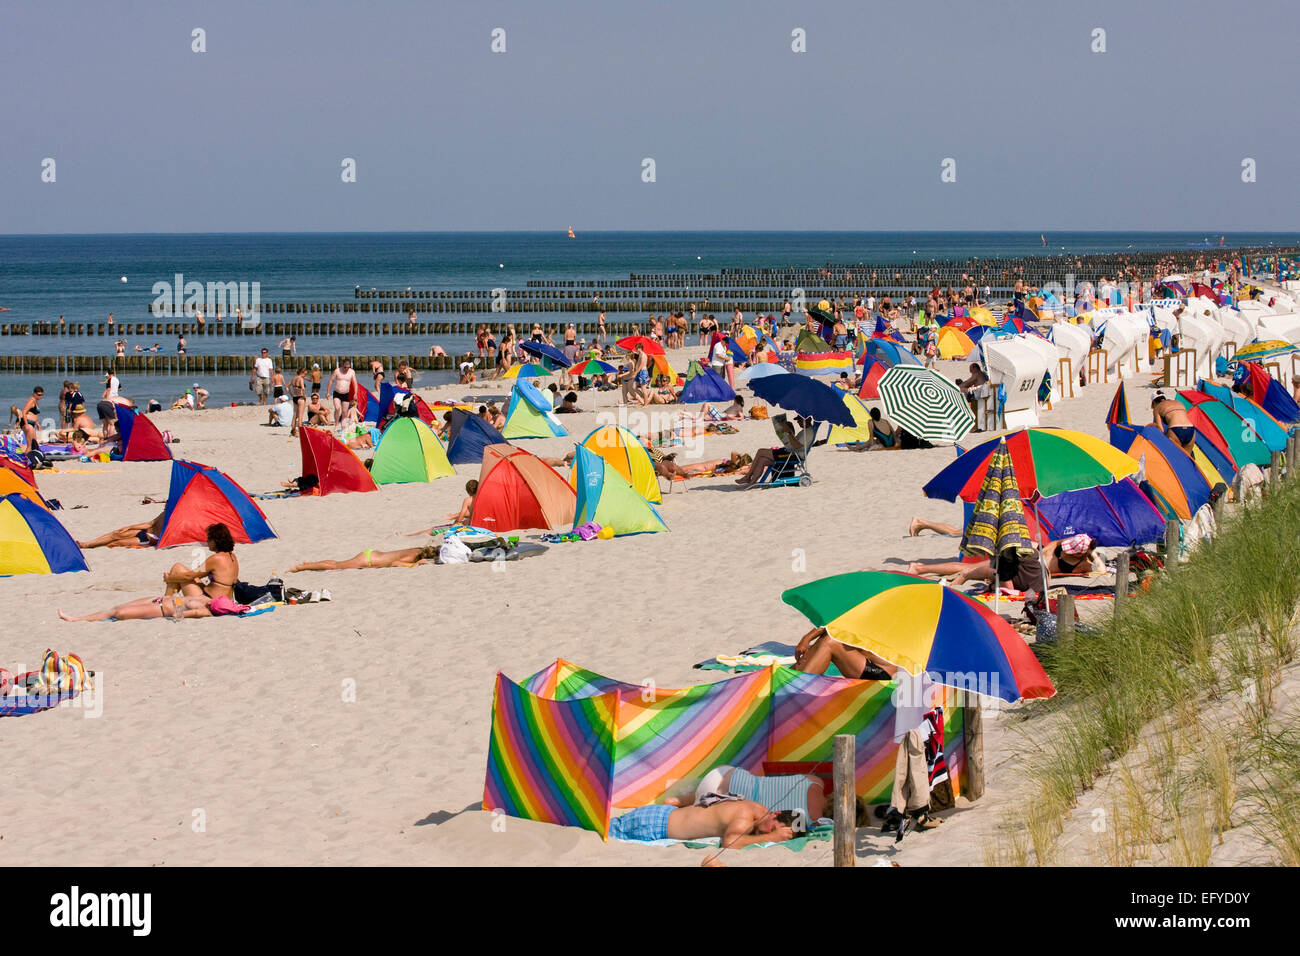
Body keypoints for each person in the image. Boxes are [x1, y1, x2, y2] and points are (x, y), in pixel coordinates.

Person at [58, 523, 238, 622]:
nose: (207, 543)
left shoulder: (217, 559)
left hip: (208, 598)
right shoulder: (231, 557)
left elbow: (192, 577)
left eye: (209, 540)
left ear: (216, 541)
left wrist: (171, 578)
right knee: (177, 569)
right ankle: (167, 598)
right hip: (218, 597)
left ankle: (166, 598)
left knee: (176, 571)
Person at [666, 764, 827, 823]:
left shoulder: (815, 781)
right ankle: (679, 805)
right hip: (731, 800)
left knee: (698, 795)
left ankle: (678, 800)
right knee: (692, 811)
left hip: (726, 773)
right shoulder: (814, 819)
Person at [607, 799, 794, 847]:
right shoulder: (746, 816)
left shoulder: (758, 809)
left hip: (663, 816)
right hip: (654, 825)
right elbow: (730, 842)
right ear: (775, 814)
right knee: (597, 828)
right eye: (772, 828)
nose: (766, 833)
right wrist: (774, 836)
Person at [734, 414, 822, 487]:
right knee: (762, 460)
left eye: (799, 420)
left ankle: (748, 476)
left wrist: (788, 432)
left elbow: (797, 446)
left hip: (793, 455)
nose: (798, 422)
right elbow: (796, 444)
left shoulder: (808, 433)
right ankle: (752, 482)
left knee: (761, 451)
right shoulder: (805, 431)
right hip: (791, 452)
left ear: (806, 420)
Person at [793, 626, 898, 681]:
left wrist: (806, 639)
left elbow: (834, 621)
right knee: (828, 638)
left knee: (830, 642)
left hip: (883, 676)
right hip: (873, 667)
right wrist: (806, 639)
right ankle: (788, 681)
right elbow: (833, 622)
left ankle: (797, 691)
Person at [287, 545, 440, 573]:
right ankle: (302, 567)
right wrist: (412, 566)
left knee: (336, 563)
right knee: (335, 566)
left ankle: (309, 564)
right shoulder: (414, 557)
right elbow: (394, 563)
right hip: (367, 560)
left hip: (372, 554)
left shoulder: (418, 548)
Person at [78, 511, 165, 549]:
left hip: (148, 540)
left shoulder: (173, 519)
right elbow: (149, 524)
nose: (164, 505)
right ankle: (87, 544)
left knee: (116, 543)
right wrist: (130, 527)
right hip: (144, 532)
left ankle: (95, 545)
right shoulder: (164, 513)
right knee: (117, 533)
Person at [19, 386, 43, 452]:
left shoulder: (35, 401)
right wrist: (26, 424)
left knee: (34, 443)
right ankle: (26, 459)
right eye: (39, 395)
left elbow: (34, 415)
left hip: (32, 424)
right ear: (34, 394)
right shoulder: (31, 400)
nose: (40, 396)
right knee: (29, 445)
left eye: (41, 395)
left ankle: (33, 457)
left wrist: (37, 424)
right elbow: (24, 412)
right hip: (27, 423)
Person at [289, 368, 306, 435]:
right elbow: (303, 388)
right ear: (302, 372)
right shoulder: (300, 379)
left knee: (295, 414)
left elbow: (287, 386)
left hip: (295, 397)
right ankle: (300, 431)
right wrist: (304, 395)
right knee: (300, 415)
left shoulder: (293, 378)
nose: (305, 375)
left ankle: (293, 430)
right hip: (300, 397)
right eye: (305, 373)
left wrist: (291, 394)